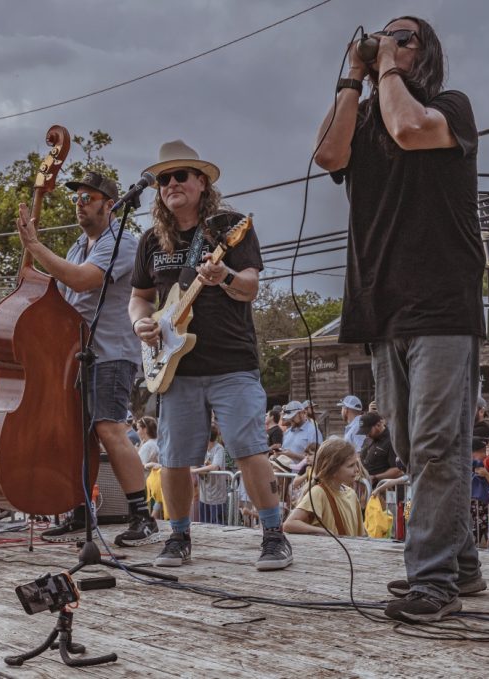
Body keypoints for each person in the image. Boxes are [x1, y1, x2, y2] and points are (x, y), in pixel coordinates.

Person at [313, 14, 484, 622]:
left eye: (403, 36)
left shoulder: (450, 107)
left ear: (426, 52)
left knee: (437, 443)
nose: (389, 42)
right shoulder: (363, 118)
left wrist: (385, 63)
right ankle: (463, 562)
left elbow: (410, 129)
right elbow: (327, 153)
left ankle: (433, 580)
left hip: (442, 301)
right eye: (384, 34)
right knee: (413, 446)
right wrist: (353, 75)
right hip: (383, 305)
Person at [130, 140, 292, 570]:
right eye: (163, 179)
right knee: (173, 457)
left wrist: (224, 276)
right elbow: (140, 298)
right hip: (176, 367)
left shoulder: (230, 227)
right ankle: (178, 536)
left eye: (180, 175)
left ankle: (274, 535)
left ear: (202, 182)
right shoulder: (151, 241)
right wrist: (140, 323)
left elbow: (251, 286)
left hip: (231, 361)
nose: (171, 183)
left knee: (249, 448)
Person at [16, 170, 159, 547]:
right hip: (77, 355)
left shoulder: (122, 243)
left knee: (109, 428)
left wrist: (35, 248)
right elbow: (63, 295)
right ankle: (80, 511)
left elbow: (81, 280)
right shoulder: (80, 245)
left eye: (87, 198)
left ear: (109, 205)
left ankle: (143, 516)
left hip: (111, 352)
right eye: (76, 198)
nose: (79, 205)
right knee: (75, 435)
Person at [283, 438, 366, 537]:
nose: (357, 469)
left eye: (356, 464)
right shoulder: (318, 492)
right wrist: (322, 531)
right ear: (333, 469)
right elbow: (289, 524)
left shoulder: (351, 493)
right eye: (351, 465)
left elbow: (360, 533)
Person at [195, 424, 228, 525]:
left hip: (217, 498)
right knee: (204, 525)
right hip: (204, 496)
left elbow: (215, 467)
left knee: (218, 526)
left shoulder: (219, 449)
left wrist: (195, 471)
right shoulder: (202, 449)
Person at [357, 412, 402, 484]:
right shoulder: (367, 439)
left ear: (378, 425)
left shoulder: (393, 441)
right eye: (364, 432)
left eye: (368, 431)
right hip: (367, 486)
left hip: (384, 488)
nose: (367, 434)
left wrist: (375, 477)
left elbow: (398, 470)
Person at [275, 400, 321, 469]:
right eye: (289, 417)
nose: (290, 420)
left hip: (304, 474)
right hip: (285, 474)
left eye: (293, 417)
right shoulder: (287, 432)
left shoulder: (313, 432)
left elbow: (317, 458)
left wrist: (293, 455)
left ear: (302, 413)